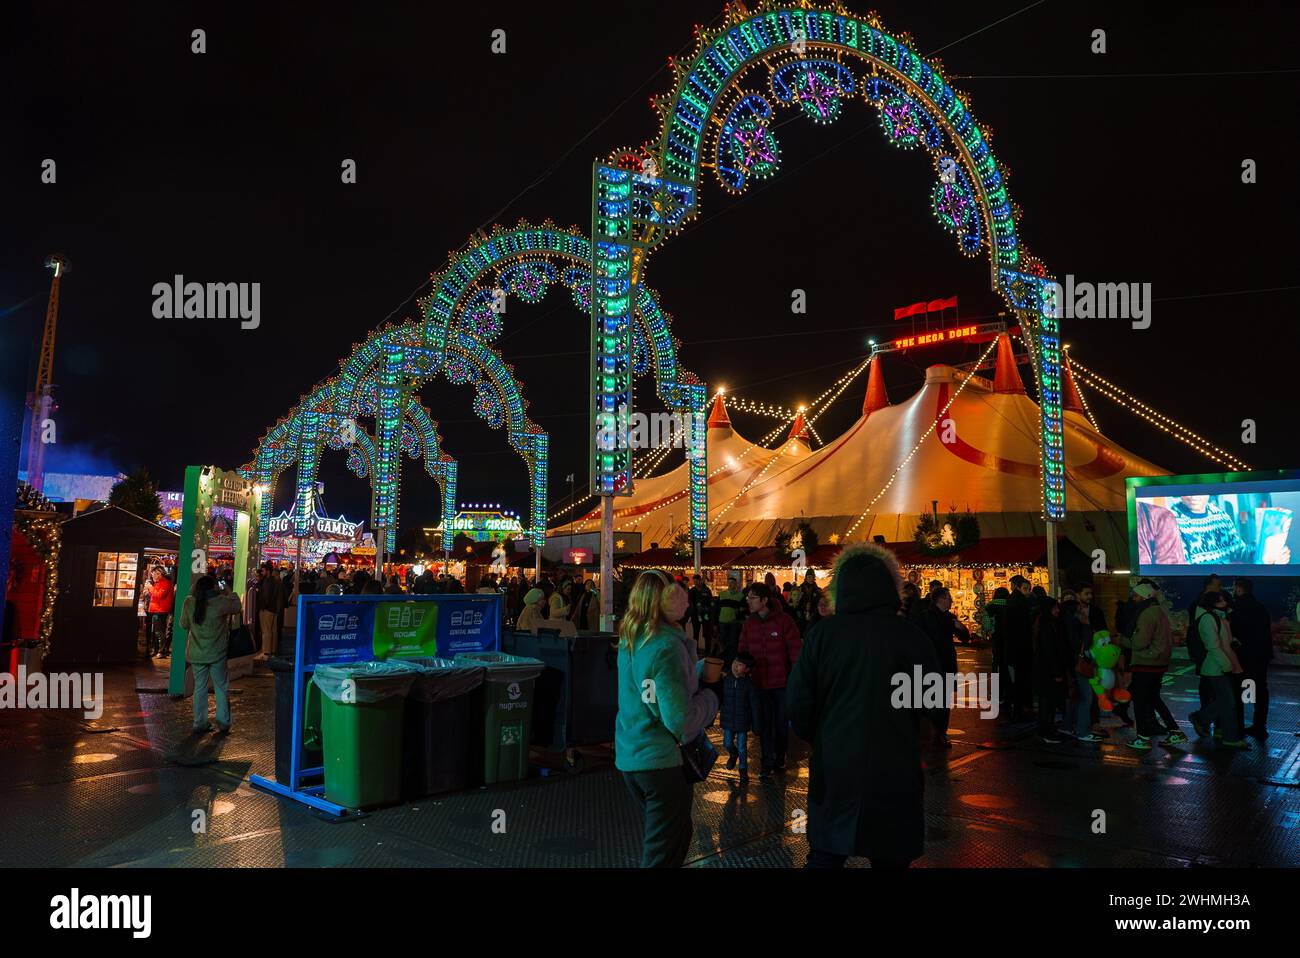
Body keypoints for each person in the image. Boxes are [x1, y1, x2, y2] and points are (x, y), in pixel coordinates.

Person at [787, 543, 940, 869]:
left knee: (827, 853)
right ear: (891, 588)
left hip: (837, 762)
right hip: (895, 765)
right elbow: (931, 706)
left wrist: (822, 736)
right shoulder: (913, 639)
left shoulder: (822, 636)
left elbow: (799, 702)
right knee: (890, 854)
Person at [615, 570, 718, 868]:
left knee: (672, 838)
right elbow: (679, 721)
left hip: (633, 756)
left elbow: (650, 690)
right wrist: (711, 697)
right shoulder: (665, 646)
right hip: (661, 761)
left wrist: (694, 672)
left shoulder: (632, 638)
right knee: (663, 852)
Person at [738, 582, 802, 780]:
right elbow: (743, 649)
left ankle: (780, 756)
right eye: (748, 597)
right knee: (763, 724)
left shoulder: (784, 621)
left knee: (781, 722)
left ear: (764, 600)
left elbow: (795, 651)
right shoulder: (749, 623)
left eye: (753, 598)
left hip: (781, 684)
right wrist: (740, 665)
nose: (748, 601)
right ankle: (766, 762)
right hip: (758, 684)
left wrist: (795, 678)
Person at [1114, 581, 1178, 749]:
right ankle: (1175, 731)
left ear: (1143, 597)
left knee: (1141, 701)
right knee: (1153, 698)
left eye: (1135, 596)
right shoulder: (1159, 610)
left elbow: (1140, 642)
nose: (1133, 599)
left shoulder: (1146, 613)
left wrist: (1122, 640)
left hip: (1146, 663)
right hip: (1159, 662)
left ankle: (1143, 738)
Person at [177, 574, 243, 735]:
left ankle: (199, 722)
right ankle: (223, 721)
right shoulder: (220, 602)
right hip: (217, 653)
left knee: (199, 687)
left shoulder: (189, 602)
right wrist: (229, 591)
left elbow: (183, 624)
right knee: (221, 687)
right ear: (214, 587)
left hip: (197, 653)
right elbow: (237, 607)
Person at [1188, 591, 1248, 748]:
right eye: (1221, 600)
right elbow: (1213, 646)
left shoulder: (1220, 617)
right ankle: (1227, 735)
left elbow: (1223, 641)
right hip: (1215, 667)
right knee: (1228, 701)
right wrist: (1227, 665)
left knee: (1226, 701)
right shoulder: (1208, 618)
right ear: (1213, 603)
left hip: (1221, 665)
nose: (1225, 602)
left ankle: (1205, 721)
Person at [914, 587, 960, 747]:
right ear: (940, 599)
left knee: (943, 699)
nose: (951, 600)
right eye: (948, 598)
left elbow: (965, 636)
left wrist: (960, 627)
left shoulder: (950, 617)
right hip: (933, 663)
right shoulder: (925, 617)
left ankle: (939, 732)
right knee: (933, 698)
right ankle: (934, 731)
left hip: (944, 662)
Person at [1064, 582, 1108, 740]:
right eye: (1086, 593)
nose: (1090, 596)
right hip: (1083, 659)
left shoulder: (1095, 611)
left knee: (1078, 695)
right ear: (1078, 595)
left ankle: (1072, 726)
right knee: (1085, 696)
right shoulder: (1075, 616)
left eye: (1091, 593)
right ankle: (1082, 729)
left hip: (1085, 658)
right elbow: (1081, 639)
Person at [1231, 578, 1272, 739]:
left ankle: (1237, 727)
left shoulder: (1235, 608)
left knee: (1238, 691)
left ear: (1239, 589)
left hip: (1242, 657)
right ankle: (1259, 726)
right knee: (1260, 691)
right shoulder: (1260, 607)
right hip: (1260, 656)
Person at [1032, 597, 1072, 743]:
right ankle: (1045, 730)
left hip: (1046, 670)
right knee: (1047, 702)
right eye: (1054, 608)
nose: (1057, 610)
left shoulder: (1048, 622)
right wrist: (1056, 672)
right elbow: (1049, 650)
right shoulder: (1046, 625)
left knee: (1048, 701)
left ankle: (1047, 728)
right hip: (1047, 671)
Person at [1004, 575, 1035, 723]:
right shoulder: (1023, 603)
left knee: (1016, 679)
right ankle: (1020, 708)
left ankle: (1016, 708)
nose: (1028, 592)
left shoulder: (1013, 602)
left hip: (1013, 647)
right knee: (1021, 679)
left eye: (1028, 589)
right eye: (1025, 589)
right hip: (1021, 647)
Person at [720, 651, 756, 776]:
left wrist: (756, 724)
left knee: (742, 747)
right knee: (727, 743)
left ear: (747, 669)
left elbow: (754, 705)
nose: (735, 666)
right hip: (728, 719)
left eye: (740, 665)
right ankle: (733, 753)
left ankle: (742, 770)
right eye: (735, 662)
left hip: (742, 721)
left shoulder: (749, 684)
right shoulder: (726, 679)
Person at [715, 573, 746, 662]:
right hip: (722, 622)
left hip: (734, 623)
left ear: (736, 584)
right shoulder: (722, 594)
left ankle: (730, 660)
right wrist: (715, 623)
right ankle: (723, 660)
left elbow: (743, 610)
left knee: (733, 643)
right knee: (723, 642)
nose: (730, 584)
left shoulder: (740, 596)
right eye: (729, 583)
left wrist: (738, 614)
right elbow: (716, 609)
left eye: (732, 583)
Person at [255, 562, 282, 659]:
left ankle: (266, 651)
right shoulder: (275, 581)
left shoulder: (267, 582)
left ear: (268, 571)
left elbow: (266, 597)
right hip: (274, 609)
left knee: (266, 631)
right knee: (272, 630)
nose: (261, 573)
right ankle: (273, 650)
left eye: (263, 571)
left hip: (267, 609)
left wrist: (261, 606)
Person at [146, 567, 175, 658]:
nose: (152, 576)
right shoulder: (158, 583)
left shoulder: (165, 583)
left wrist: (150, 587)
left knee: (159, 631)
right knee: (156, 631)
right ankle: (156, 650)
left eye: (153, 574)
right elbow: (153, 596)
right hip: (156, 609)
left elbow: (159, 595)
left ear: (159, 573)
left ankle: (161, 651)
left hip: (160, 610)